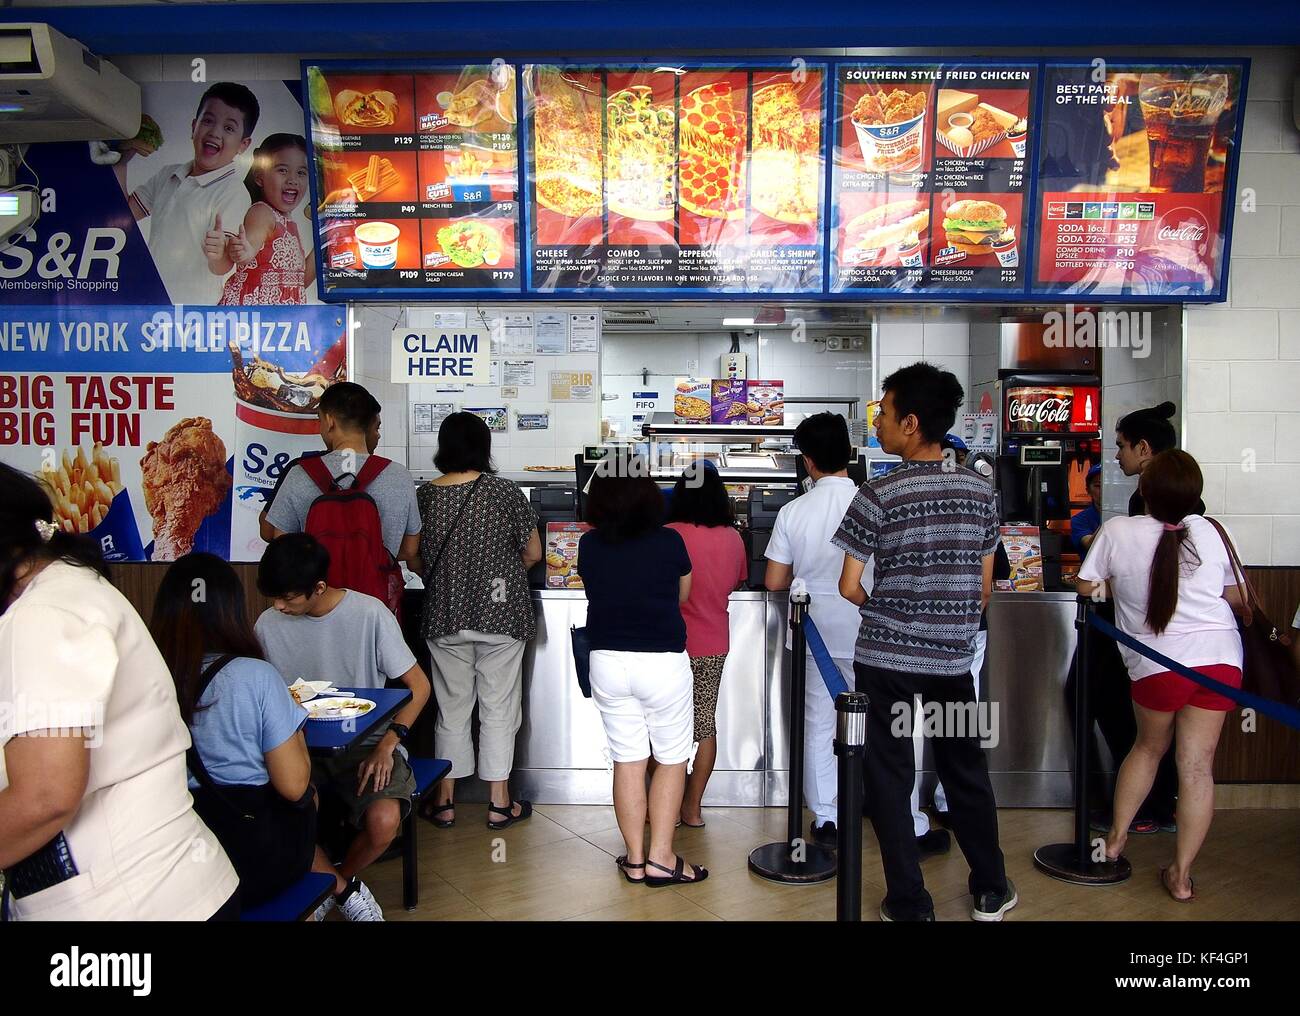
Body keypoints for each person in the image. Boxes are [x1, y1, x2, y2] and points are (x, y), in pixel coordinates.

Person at [0, 463, 239, 920]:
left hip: (129, 900)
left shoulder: (41, 615)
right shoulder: (74, 586)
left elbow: (45, 796)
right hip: (174, 882)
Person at [834, 363, 1015, 922]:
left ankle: (909, 901)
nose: (878, 424)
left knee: (890, 776)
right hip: (952, 660)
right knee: (965, 771)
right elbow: (984, 588)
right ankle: (989, 889)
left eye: (884, 414)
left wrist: (891, 612)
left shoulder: (876, 492)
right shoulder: (980, 492)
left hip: (883, 661)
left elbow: (848, 586)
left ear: (911, 423)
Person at [1075, 450, 1244, 902]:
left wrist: (1115, 586)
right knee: (1196, 767)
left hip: (1158, 665)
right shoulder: (1213, 532)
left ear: (1143, 492)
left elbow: (1087, 587)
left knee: (1148, 749)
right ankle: (1182, 876)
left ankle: (1114, 841)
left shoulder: (1117, 531)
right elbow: (1233, 594)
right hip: (1220, 662)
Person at [764, 412, 921, 853]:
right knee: (890, 726)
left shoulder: (794, 511)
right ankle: (902, 815)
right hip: (876, 632)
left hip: (816, 636)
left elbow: (775, 581)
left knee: (818, 724)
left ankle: (829, 816)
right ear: (850, 456)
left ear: (808, 460)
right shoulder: (878, 501)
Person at [255, 533, 431, 921]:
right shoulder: (269, 623)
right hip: (297, 746)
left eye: (287, 598)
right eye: (274, 597)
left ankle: (332, 888)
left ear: (318, 588)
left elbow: (419, 687)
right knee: (284, 813)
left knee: (384, 822)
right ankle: (342, 890)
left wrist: (389, 744)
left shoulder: (369, 614)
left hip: (367, 745)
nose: (278, 607)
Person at [151, 552, 329, 907]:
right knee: (310, 798)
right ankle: (331, 893)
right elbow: (294, 786)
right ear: (231, 609)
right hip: (252, 862)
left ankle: (337, 889)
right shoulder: (256, 676)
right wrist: (293, 727)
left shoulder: (144, 677)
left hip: (172, 858)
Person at [577, 463, 707, 887]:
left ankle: (634, 859)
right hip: (662, 663)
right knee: (670, 759)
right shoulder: (670, 541)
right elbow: (683, 594)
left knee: (627, 760)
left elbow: (594, 589)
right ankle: (662, 858)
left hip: (607, 663)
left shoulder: (589, 545)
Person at [411, 412, 542, 830]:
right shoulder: (505, 493)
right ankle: (499, 804)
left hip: (445, 613)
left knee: (451, 708)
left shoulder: (424, 497)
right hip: (501, 617)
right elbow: (534, 553)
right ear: (484, 448)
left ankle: (445, 801)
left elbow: (411, 556)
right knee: (499, 707)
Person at [264, 381, 421, 609]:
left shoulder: (300, 474)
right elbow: (409, 549)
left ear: (329, 421)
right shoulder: (399, 476)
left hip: (317, 607)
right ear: (369, 424)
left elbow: (283, 543)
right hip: (376, 604)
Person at [665, 460, 748, 828]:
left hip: (669, 644)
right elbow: (737, 582)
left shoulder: (667, 535)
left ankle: (662, 805)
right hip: (714, 643)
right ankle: (692, 808)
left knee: (664, 727)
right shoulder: (732, 538)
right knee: (704, 726)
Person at [126, 82, 259, 305]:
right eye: (208, 121)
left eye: (229, 128)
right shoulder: (168, 174)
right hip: (149, 301)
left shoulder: (233, 191)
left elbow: (222, 266)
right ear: (194, 126)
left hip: (191, 312)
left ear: (243, 145)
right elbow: (124, 215)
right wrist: (125, 155)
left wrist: (218, 253)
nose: (215, 132)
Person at [212, 133, 316, 305]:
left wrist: (325, 239)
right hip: (250, 318)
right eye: (282, 170)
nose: (293, 180)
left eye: (301, 172)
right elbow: (250, 248)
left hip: (275, 321)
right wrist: (244, 252)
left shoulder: (289, 224)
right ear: (260, 177)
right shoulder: (262, 213)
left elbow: (298, 284)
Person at [1070, 464, 1104, 555]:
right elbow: (1090, 544)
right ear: (1088, 490)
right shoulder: (1079, 520)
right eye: (1098, 485)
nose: (1104, 489)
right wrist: (1108, 517)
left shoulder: (1129, 514)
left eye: (1108, 484)